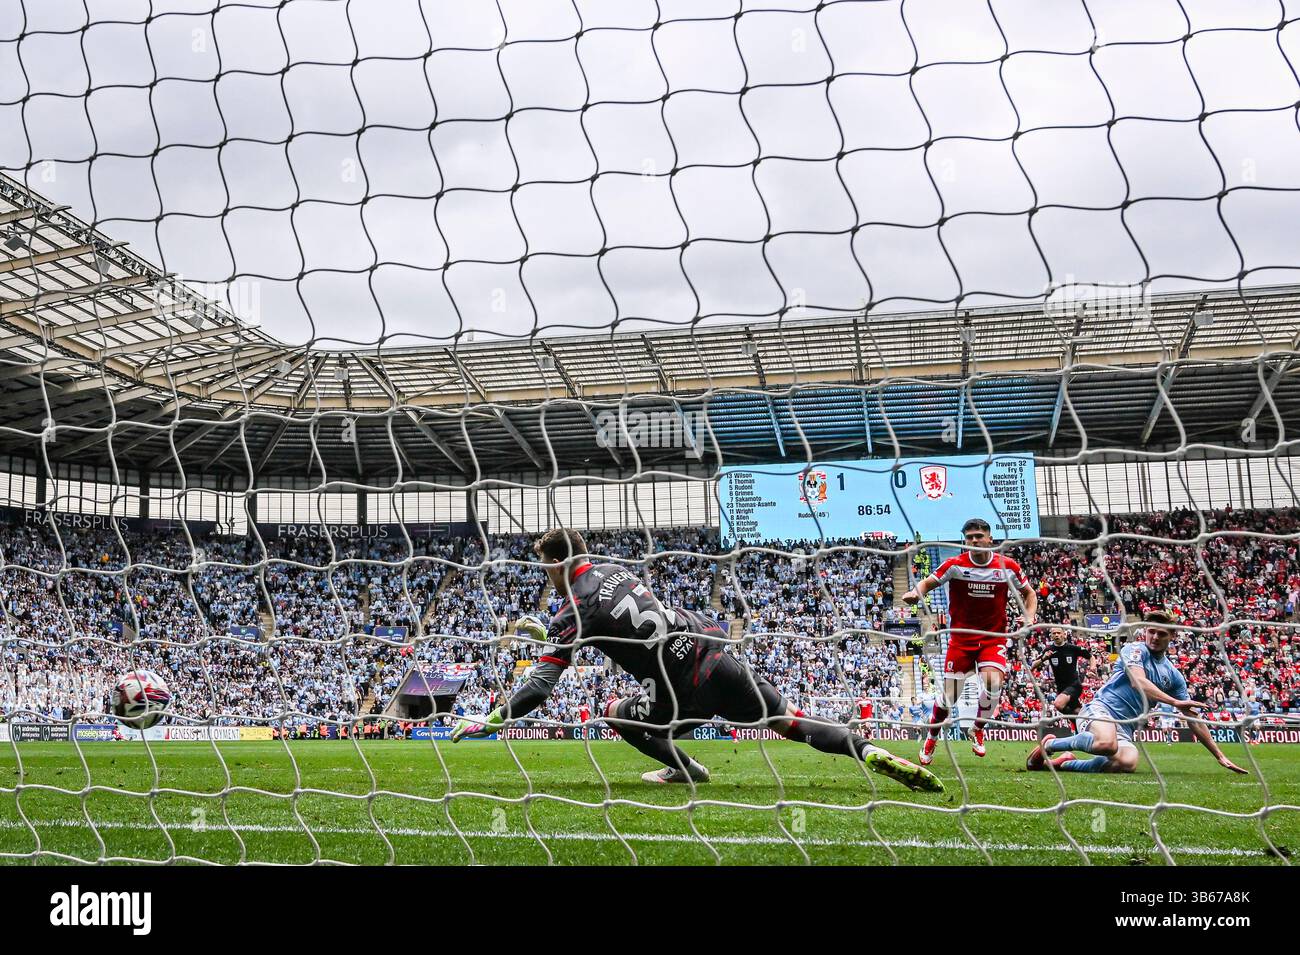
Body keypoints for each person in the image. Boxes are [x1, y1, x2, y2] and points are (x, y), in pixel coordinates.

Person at [452, 528, 942, 793]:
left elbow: (539, 687)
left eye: (546, 569)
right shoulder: (615, 568)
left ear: (555, 565)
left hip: (679, 684)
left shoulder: (573, 608)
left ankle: (685, 769)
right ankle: (868, 752)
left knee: (615, 715)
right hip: (715, 650)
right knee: (789, 721)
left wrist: (494, 719)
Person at [1026, 611, 1247, 775]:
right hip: (1100, 710)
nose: (1154, 637)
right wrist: (1174, 702)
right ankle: (1050, 745)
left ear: (1172, 636)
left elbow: (1192, 717)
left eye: (1162, 634)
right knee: (1106, 744)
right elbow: (1137, 682)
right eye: (1151, 631)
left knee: (1127, 763)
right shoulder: (1134, 649)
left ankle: (1064, 764)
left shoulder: (1173, 675)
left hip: (1126, 727)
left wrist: (1220, 756)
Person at [902, 518, 1037, 765]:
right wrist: (914, 593)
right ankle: (932, 736)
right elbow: (928, 582)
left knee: (993, 681)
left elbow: (1030, 593)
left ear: (989, 539)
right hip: (961, 640)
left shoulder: (1007, 566)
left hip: (993, 638)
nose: (974, 540)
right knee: (949, 698)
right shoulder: (955, 565)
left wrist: (1029, 616)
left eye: (978, 536)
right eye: (969, 537)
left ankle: (977, 728)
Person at [1035, 628, 1093, 731]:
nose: (1056, 635)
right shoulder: (1049, 650)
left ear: (1064, 635)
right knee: (1076, 711)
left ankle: (1081, 722)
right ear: (1051, 636)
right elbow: (1033, 666)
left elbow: (1091, 657)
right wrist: (1044, 658)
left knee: (1058, 704)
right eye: (1054, 633)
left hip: (1074, 685)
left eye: (1059, 633)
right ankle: (1084, 724)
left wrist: (1093, 667)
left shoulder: (1072, 648)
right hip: (1061, 688)